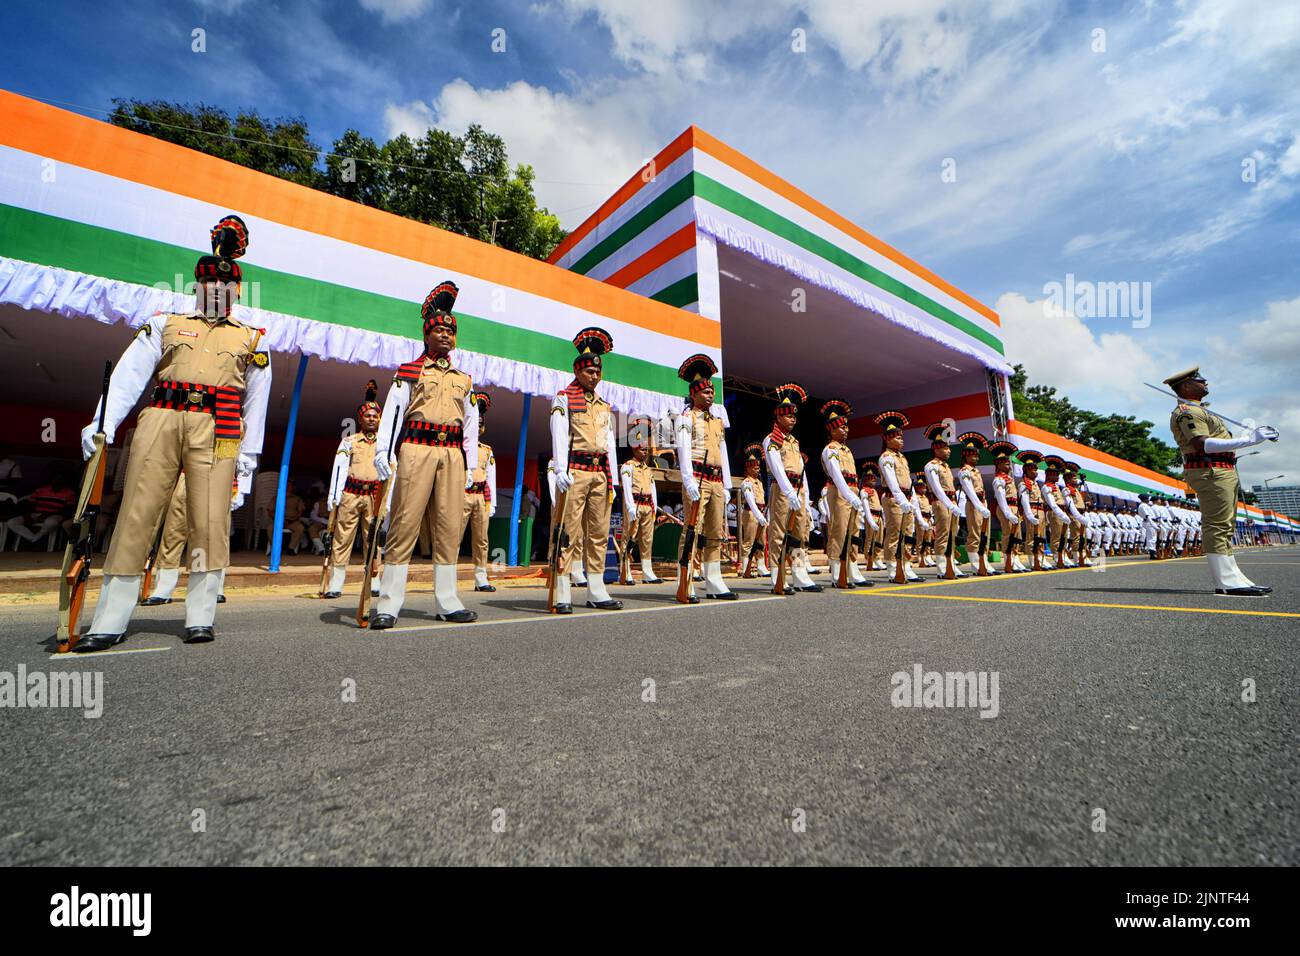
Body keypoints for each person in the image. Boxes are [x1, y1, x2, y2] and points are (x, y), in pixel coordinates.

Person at [73, 215, 269, 651]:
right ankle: (109, 620)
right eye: (208, 285)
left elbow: (256, 407)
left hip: (219, 427)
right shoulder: (165, 323)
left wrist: (247, 467)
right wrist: (103, 422)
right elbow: (129, 376)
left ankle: (200, 616)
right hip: (161, 416)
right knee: (136, 515)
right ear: (197, 287)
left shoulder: (254, 340)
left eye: (226, 287)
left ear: (236, 291)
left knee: (209, 522)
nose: (217, 291)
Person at [370, 280, 480, 627]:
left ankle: (447, 601)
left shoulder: (465, 379)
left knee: (449, 528)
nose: (446, 336)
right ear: (427, 335)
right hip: (416, 449)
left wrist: (472, 464)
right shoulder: (409, 371)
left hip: (451, 454)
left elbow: (471, 425)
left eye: (451, 331)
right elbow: (392, 413)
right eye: (439, 331)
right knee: (404, 523)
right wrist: (382, 452)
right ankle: (388, 603)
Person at [1165, 366, 1278, 596]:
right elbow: (1201, 444)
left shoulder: (1200, 410)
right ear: (1186, 386)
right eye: (1199, 380)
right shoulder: (1188, 412)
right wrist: (1248, 440)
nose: (1205, 382)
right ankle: (1225, 581)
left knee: (1225, 527)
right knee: (1217, 525)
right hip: (1210, 470)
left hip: (1221, 469)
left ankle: (1234, 577)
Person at [549, 327, 623, 613]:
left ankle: (596, 588)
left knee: (599, 533)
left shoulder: (604, 405)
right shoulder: (565, 398)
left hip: (600, 474)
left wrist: (613, 479)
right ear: (577, 370)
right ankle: (563, 589)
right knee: (568, 532)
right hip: (575, 471)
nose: (594, 375)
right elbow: (558, 433)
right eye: (589, 370)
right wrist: (560, 469)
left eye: (597, 371)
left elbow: (609, 444)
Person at [675, 354, 735, 601]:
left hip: (716, 481)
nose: (711, 395)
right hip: (698, 479)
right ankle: (685, 581)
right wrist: (688, 480)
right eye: (705, 391)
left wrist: (728, 484)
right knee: (691, 531)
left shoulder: (717, 421)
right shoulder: (685, 418)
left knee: (714, 532)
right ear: (694, 393)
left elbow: (723, 452)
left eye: (712, 391)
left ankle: (714, 579)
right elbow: (683, 451)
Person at [321, 381, 387, 599]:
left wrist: (388, 500)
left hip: (374, 495)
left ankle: (374, 580)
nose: (371, 419)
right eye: (367, 415)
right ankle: (336, 584)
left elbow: (391, 474)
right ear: (360, 419)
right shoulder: (348, 442)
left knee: (373, 539)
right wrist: (334, 496)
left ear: (379, 419)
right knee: (343, 537)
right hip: (351, 494)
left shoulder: (385, 444)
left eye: (375, 416)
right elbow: (339, 471)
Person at [139, 472, 230, 606]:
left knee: (213, 536)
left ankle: (213, 587)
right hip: (186, 473)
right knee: (173, 533)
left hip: (219, 474)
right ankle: (164, 588)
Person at [763, 383, 816, 594]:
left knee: (799, 534)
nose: (792, 418)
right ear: (778, 417)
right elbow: (777, 469)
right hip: (783, 491)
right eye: (787, 415)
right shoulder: (772, 440)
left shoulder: (794, 441)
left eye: (794, 415)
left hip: (798, 491)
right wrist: (789, 492)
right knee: (778, 534)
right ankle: (778, 576)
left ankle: (799, 574)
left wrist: (806, 495)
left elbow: (802, 472)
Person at [820, 399, 868, 588]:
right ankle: (837, 570)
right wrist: (849, 495)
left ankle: (852, 566)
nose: (845, 430)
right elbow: (836, 474)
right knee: (839, 530)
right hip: (840, 491)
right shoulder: (830, 449)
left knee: (853, 530)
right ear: (832, 430)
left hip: (852, 489)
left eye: (846, 427)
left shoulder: (846, 449)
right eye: (841, 428)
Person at [875, 411, 920, 583]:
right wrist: (900, 498)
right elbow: (892, 481)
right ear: (887, 438)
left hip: (907, 498)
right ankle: (893, 567)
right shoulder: (886, 457)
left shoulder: (902, 458)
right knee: (894, 534)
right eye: (897, 437)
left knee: (908, 533)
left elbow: (908, 481)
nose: (901, 439)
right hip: (894, 499)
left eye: (902, 437)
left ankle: (906, 565)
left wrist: (912, 499)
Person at [619, 419, 665, 584]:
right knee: (629, 537)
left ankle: (647, 571)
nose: (644, 450)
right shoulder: (628, 466)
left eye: (646, 447)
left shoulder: (648, 469)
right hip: (635, 505)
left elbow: (652, 489)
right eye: (641, 447)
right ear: (634, 447)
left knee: (647, 539)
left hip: (647, 505)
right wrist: (630, 507)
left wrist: (654, 507)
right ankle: (626, 571)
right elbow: (626, 487)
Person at [460, 390, 497, 592]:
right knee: (453, 537)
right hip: (462, 495)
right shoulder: (460, 446)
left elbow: (491, 477)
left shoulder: (487, 450)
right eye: (476, 422)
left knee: (481, 540)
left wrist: (493, 504)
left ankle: (481, 578)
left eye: (481, 424)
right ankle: (447, 578)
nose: (479, 426)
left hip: (481, 497)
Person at [923, 424, 965, 578]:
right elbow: (936, 488)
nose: (949, 451)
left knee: (953, 533)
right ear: (936, 449)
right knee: (943, 534)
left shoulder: (946, 466)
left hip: (951, 502)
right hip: (941, 502)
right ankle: (942, 567)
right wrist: (948, 504)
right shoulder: (931, 466)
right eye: (945, 448)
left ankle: (951, 563)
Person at [6, 468, 76, 549]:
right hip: (36, 514)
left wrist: (47, 515)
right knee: (11, 522)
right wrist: (27, 516)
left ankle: (37, 538)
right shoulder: (41, 491)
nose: (58, 480)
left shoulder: (69, 493)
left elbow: (67, 511)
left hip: (55, 515)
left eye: (60, 478)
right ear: (51, 479)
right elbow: (28, 505)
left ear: (65, 480)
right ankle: (33, 539)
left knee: (51, 522)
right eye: (56, 478)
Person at [954, 432, 990, 576]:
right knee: (974, 534)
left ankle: (984, 561)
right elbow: (970, 491)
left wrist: (984, 505)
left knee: (984, 534)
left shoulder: (976, 471)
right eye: (973, 455)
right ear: (966, 456)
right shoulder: (964, 471)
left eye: (977, 455)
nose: (976, 457)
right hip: (974, 504)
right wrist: (980, 506)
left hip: (982, 502)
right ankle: (976, 564)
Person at [737, 443, 770, 577]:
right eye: (754, 468)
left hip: (761, 512)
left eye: (758, 467)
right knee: (749, 541)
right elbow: (750, 500)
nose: (757, 470)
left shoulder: (760, 482)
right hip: (751, 512)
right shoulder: (746, 482)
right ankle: (746, 567)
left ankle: (761, 566)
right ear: (749, 469)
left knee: (761, 541)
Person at [1016, 450, 1047, 571]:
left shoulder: (1036, 484)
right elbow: (1024, 499)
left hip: (1040, 510)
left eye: (1036, 469)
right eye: (1032, 469)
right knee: (1031, 537)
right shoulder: (1024, 484)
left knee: (1041, 537)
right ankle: (1032, 560)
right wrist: (1028, 514)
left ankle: (1040, 558)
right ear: (1026, 471)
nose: (1035, 471)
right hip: (1032, 510)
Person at [1041, 456, 1073, 568]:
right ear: (1049, 475)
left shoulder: (1056, 486)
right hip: (1054, 512)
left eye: (1057, 474)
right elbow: (1052, 503)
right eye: (1054, 474)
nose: (1057, 476)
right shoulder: (1047, 486)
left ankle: (1063, 554)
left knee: (1064, 534)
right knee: (1057, 535)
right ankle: (1056, 555)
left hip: (1062, 511)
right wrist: (1061, 514)